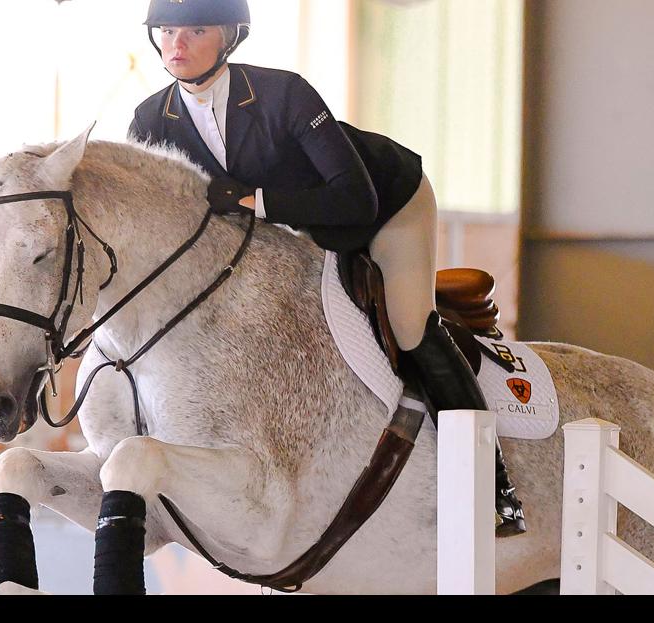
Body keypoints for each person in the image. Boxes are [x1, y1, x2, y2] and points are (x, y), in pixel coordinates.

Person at [126, 0, 526, 536]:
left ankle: (495, 488)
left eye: (196, 29)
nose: (177, 44)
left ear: (230, 36)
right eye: (167, 30)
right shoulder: (150, 120)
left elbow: (354, 198)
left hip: (387, 206)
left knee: (409, 328)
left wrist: (256, 201)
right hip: (294, 238)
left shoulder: (283, 93)